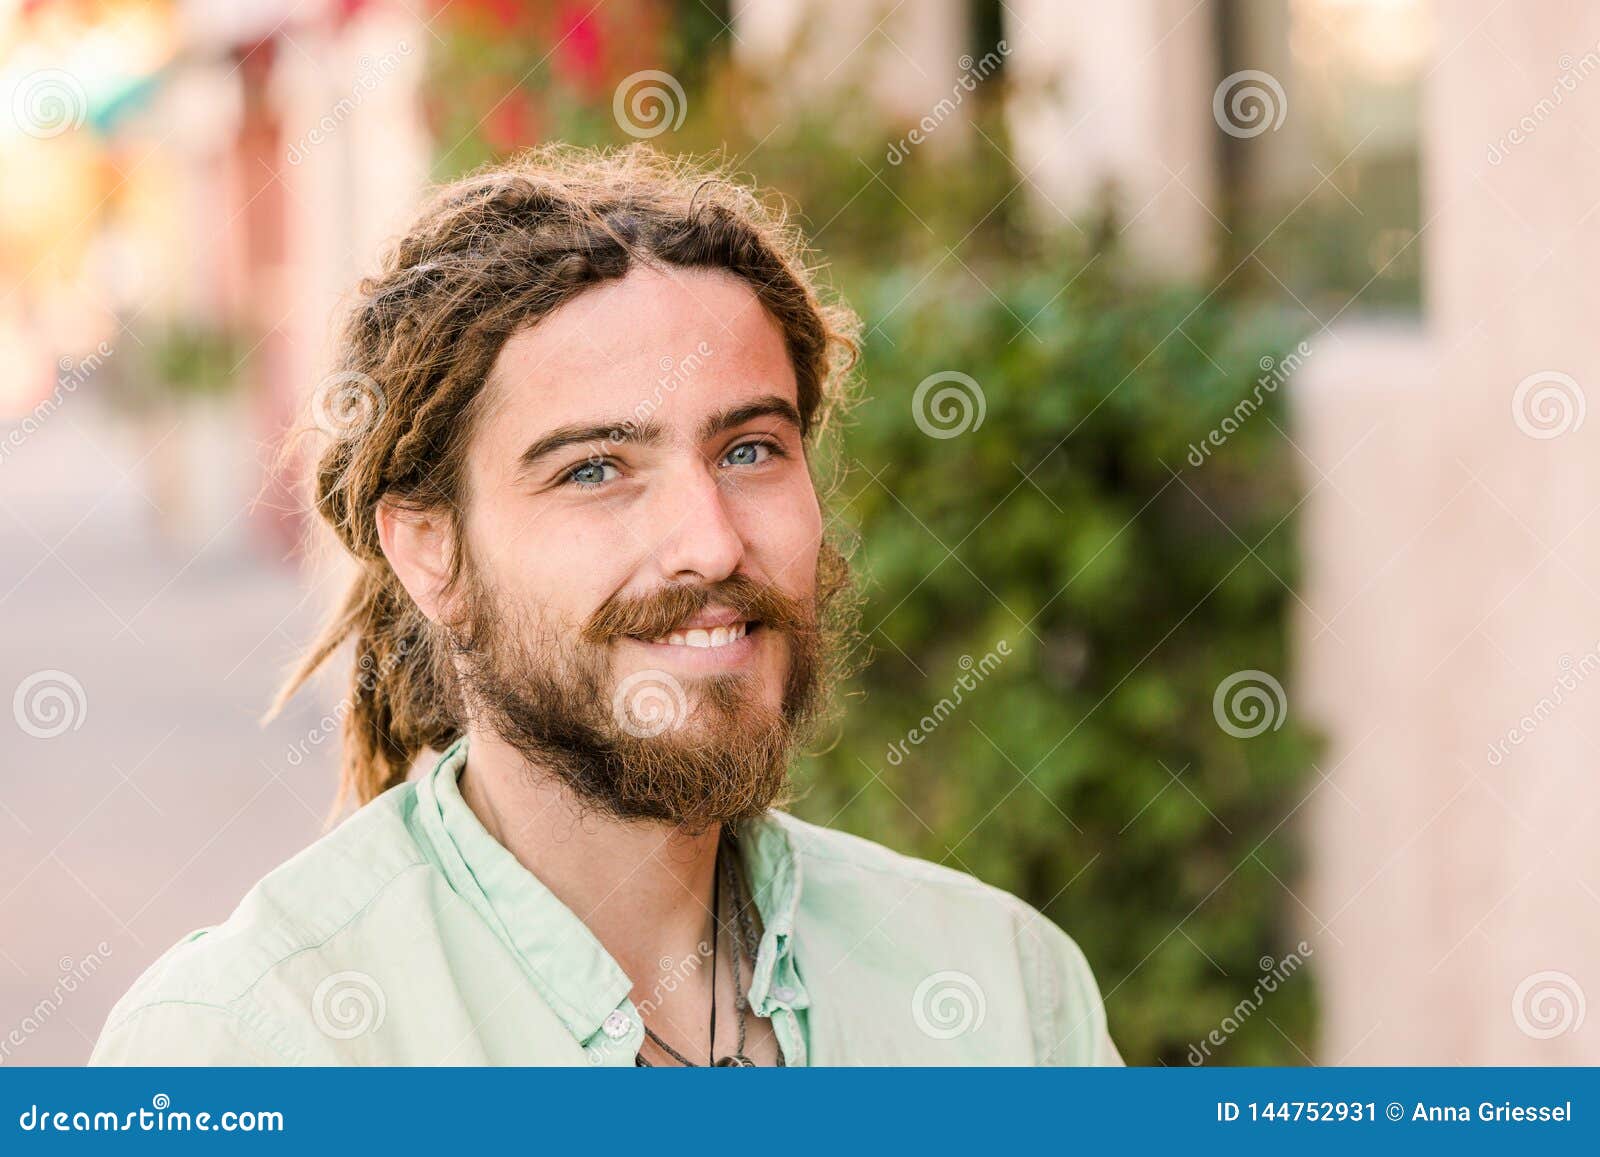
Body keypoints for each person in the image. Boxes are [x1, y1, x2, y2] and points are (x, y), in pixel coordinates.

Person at [90, 144, 1120, 1066]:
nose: (711, 541)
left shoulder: (1002, 993)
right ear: (431, 552)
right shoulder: (243, 1043)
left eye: (749, 449)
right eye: (595, 470)